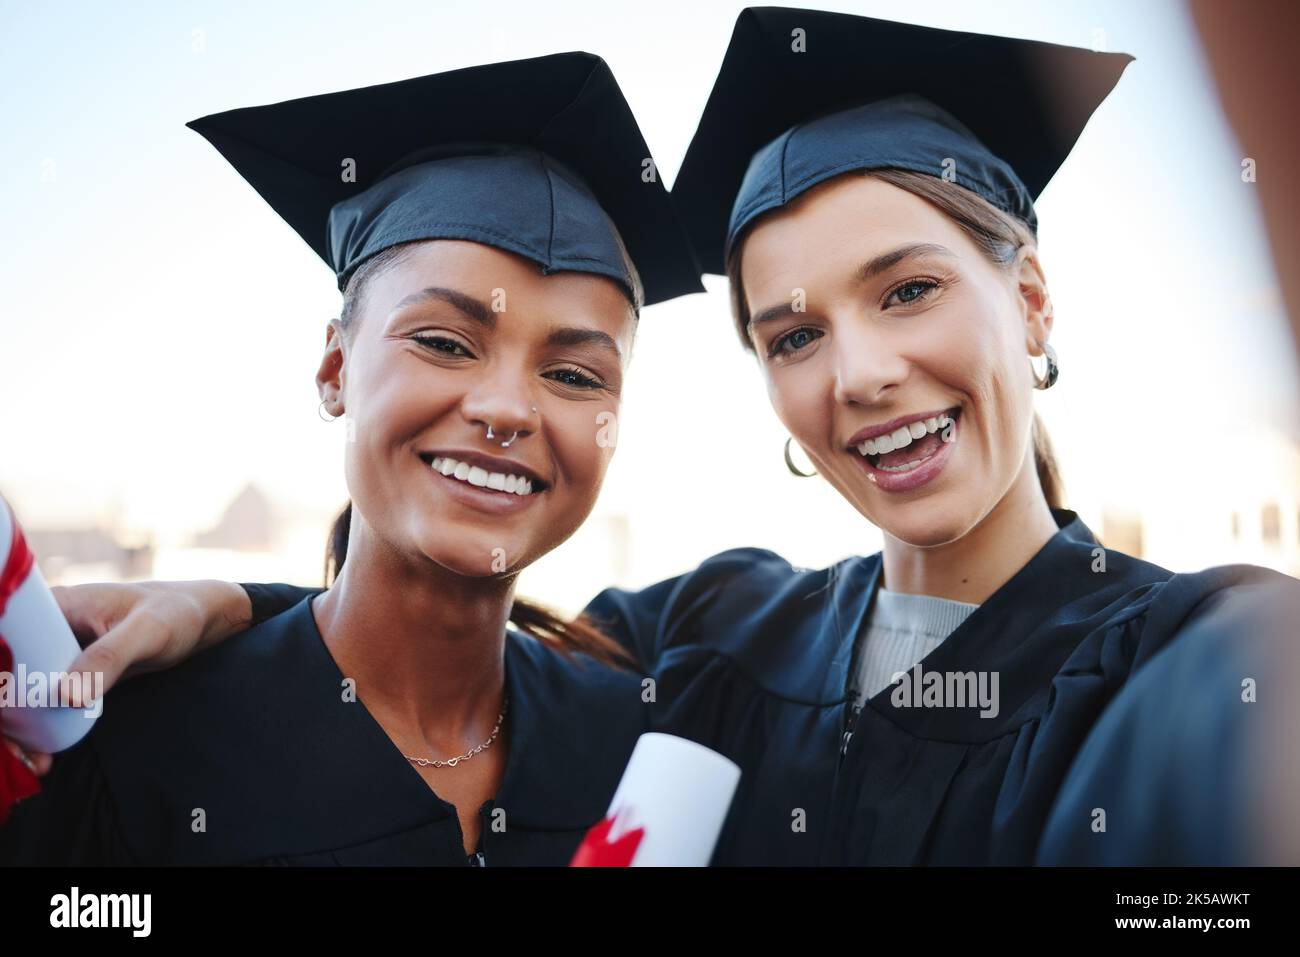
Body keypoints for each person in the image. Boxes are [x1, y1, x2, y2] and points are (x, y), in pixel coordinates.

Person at [15, 10, 1300, 866]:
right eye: (791, 334)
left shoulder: (1190, 654)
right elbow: (434, 632)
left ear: (1027, 301)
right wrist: (222, 607)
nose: (858, 372)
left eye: (907, 290)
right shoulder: (719, 639)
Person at [0, 52, 704, 865]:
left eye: (574, 374)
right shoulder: (124, 745)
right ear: (335, 369)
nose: (509, 408)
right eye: (444, 342)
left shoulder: (638, 747)